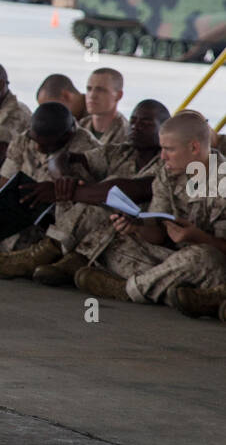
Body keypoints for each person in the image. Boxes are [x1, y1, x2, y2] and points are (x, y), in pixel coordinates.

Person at [0, 99, 170, 286]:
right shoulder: (121, 152)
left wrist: (66, 192)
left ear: (165, 129)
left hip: (141, 235)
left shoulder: (168, 164)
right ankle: (64, 256)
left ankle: (51, 251)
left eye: (146, 123)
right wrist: (64, 178)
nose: (136, 127)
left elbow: (126, 191)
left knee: (103, 196)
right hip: (104, 230)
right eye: (133, 121)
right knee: (78, 178)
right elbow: (61, 157)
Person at [72, 110, 226, 315]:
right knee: (113, 241)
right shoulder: (168, 173)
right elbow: (158, 233)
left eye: (169, 149)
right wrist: (136, 228)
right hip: (172, 259)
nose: (162, 157)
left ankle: (128, 290)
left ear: (194, 147)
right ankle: (181, 294)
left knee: (202, 257)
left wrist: (198, 237)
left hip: (211, 262)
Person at [0, 102, 106, 268]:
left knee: (19, 239)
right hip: (15, 209)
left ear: (67, 136)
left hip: (53, 220)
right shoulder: (24, 139)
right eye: (35, 139)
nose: (38, 147)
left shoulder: (89, 152)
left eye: (46, 145)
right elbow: (3, 184)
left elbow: (90, 204)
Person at [80, 66, 128, 147]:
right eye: (89, 89)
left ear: (118, 95)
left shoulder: (126, 135)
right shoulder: (80, 126)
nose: (92, 95)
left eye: (100, 90)